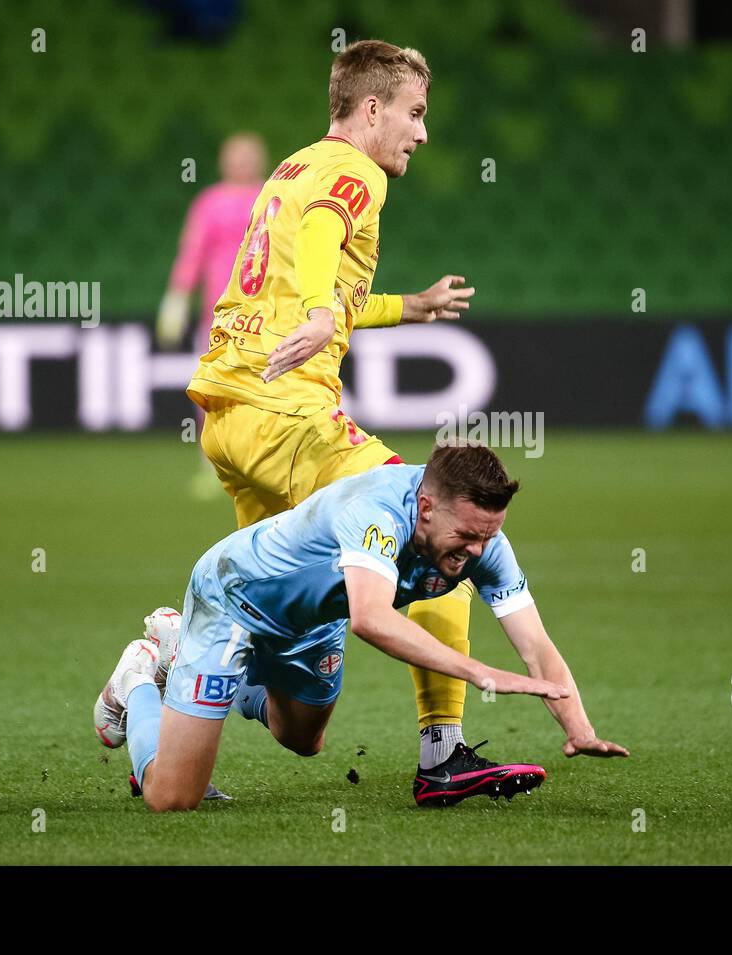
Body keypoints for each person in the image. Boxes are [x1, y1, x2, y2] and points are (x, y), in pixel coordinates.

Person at [183, 39, 530, 804]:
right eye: (414, 112)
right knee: (437, 530)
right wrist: (314, 311)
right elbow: (318, 241)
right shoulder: (356, 170)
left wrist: (409, 306)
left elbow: (321, 279)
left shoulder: (294, 166)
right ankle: (444, 755)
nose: (422, 131)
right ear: (371, 108)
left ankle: (162, 660)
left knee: (284, 645)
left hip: (229, 415)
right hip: (290, 417)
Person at [93, 443, 627, 811]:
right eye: (467, 535)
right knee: (174, 798)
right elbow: (371, 619)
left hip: (314, 620)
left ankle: (181, 656)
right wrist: (483, 673)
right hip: (234, 600)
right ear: (425, 507)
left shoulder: (482, 543)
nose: (477, 551)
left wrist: (580, 731)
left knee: (302, 739)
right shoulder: (374, 510)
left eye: (488, 536)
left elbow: (536, 646)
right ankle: (139, 676)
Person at [157, 132, 267, 497]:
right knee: (214, 390)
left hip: (267, 314)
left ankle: (263, 464)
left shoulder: (274, 197)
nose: (242, 163)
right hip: (219, 313)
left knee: (265, 390)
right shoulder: (209, 202)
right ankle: (214, 465)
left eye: (248, 156)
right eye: (236, 156)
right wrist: (176, 298)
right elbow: (192, 253)